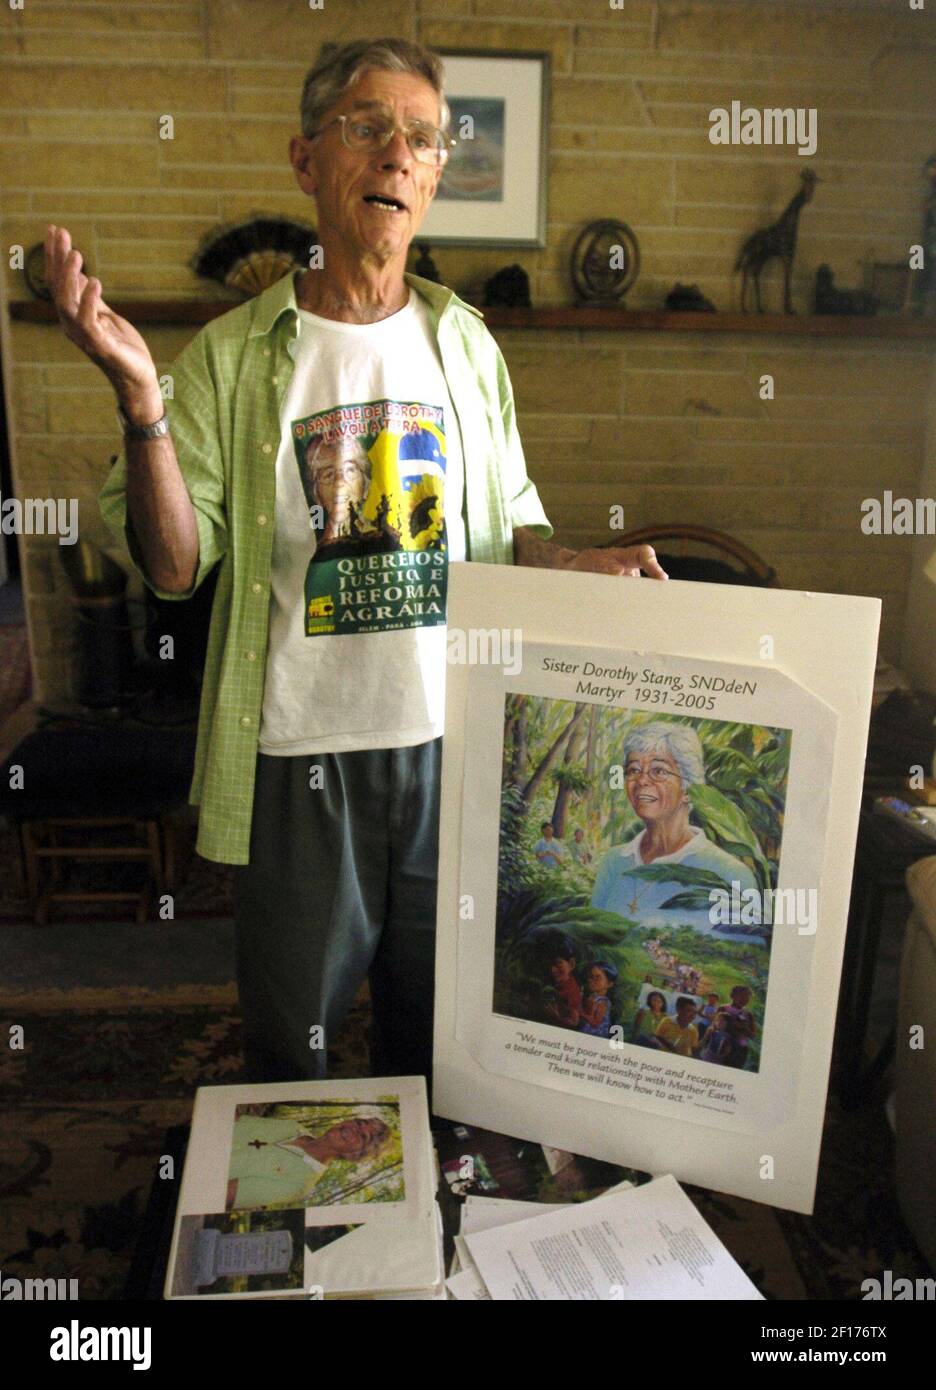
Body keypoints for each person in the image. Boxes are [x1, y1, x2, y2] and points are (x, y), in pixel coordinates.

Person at [47, 37, 666, 1086]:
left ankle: (432, 1234)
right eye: (368, 128)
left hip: (450, 753)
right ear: (306, 161)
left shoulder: (466, 343)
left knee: (450, 1048)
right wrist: (143, 405)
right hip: (302, 767)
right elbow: (172, 565)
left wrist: (580, 562)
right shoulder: (234, 356)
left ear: (432, 178)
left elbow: (509, 529)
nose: (396, 153)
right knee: (299, 1059)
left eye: (420, 138)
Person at [590, 722, 758, 932]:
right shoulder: (614, 862)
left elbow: (743, 958)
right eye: (633, 769)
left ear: (688, 788)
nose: (641, 780)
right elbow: (589, 941)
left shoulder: (731, 874)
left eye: (658, 771)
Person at [226, 1112, 391, 1211]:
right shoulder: (292, 1127)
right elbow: (234, 1120)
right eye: (359, 1123)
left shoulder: (300, 1184)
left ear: (354, 1155)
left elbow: (224, 1193)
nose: (355, 1128)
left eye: (363, 1136)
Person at [578, 960, 617, 1038]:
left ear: (609, 984)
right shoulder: (592, 996)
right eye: (590, 977)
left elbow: (596, 1022)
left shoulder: (603, 1002)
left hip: (596, 1034)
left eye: (597, 977)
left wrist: (581, 1013)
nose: (590, 980)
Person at [545, 948, 582, 1028]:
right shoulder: (559, 986)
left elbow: (574, 1022)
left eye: (558, 964)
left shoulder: (572, 990)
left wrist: (556, 1016)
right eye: (551, 965)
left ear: (571, 964)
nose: (553, 970)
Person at [722, 985, 757, 1069]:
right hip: (722, 1044)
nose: (744, 999)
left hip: (740, 1049)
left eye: (747, 997)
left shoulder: (748, 1014)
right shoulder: (724, 1008)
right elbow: (716, 1025)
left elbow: (753, 1036)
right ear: (732, 996)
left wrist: (744, 1028)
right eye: (741, 996)